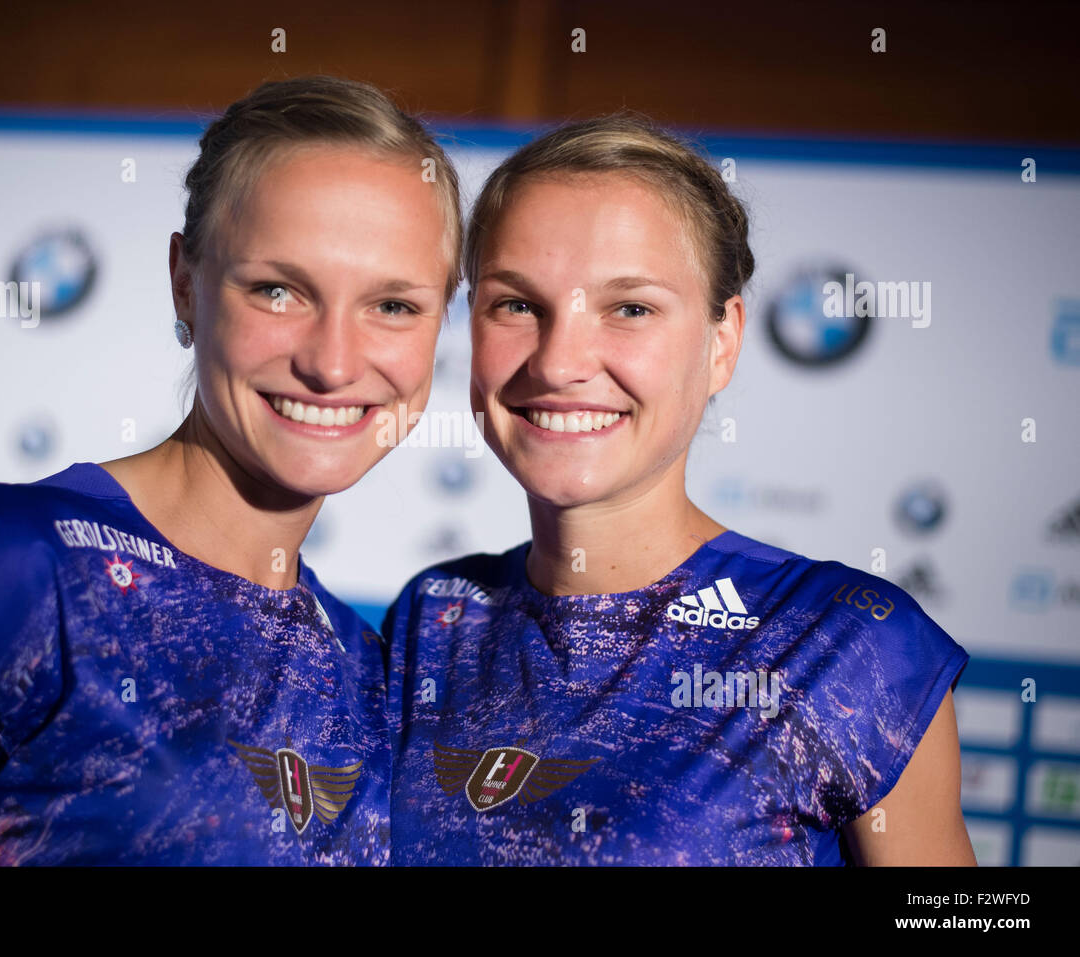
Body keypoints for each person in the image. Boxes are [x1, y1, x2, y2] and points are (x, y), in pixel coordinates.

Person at [0, 75, 461, 865]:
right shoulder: (15, 565)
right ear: (186, 282)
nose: (332, 361)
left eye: (393, 306)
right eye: (278, 290)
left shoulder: (363, 669)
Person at [382, 113, 974, 865]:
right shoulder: (435, 618)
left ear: (722, 339)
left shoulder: (843, 643)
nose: (561, 361)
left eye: (630, 307)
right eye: (517, 304)